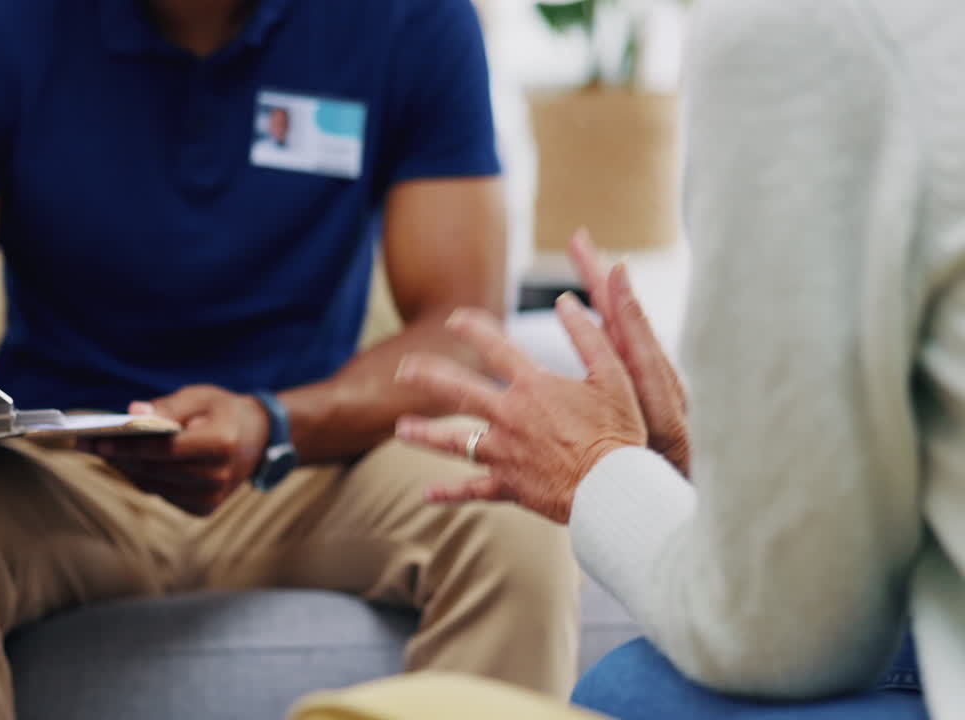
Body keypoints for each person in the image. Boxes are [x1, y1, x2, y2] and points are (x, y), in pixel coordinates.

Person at [0, 0, 581, 717]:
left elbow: (459, 332)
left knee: (516, 526)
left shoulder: (411, 15)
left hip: (312, 464)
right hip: (63, 476)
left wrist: (278, 422)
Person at [392, 0, 963, 717]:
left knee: (627, 693)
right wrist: (719, 473)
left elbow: (786, 637)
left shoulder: (802, 27)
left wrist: (594, 468)